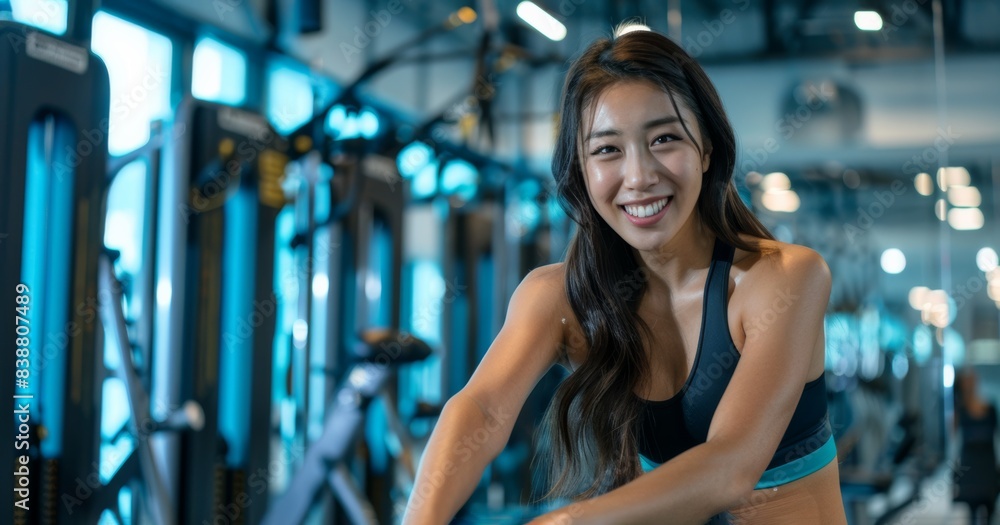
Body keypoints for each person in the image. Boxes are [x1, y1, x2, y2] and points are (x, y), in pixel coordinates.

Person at [402, 25, 846, 525]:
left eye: (664, 139)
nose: (639, 177)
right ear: (581, 168)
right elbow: (482, 409)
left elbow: (729, 467)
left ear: (706, 148)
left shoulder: (784, 279)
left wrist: (564, 522)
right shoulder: (559, 299)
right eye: (607, 150)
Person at [953, 368, 1000, 525]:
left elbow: (997, 437)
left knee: (989, 511)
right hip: (970, 467)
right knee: (972, 513)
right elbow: (955, 443)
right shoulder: (960, 411)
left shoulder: (990, 408)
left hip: (988, 466)